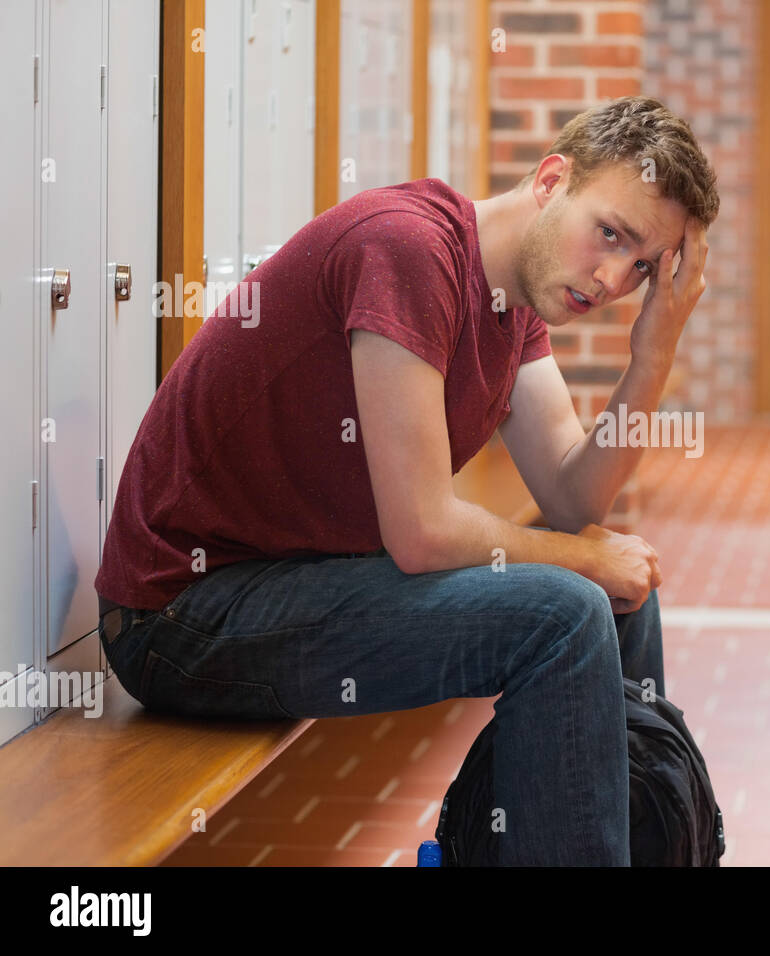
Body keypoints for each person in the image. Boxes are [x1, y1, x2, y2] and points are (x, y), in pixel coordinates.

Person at [93, 94, 719, 866]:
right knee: (569, 608)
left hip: (297, 582)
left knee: (622, 595)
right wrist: (587, 559)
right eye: (612, 233)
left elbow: (571, 497)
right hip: (181, 615)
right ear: (553, 180)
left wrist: (653, 353)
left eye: (644, 267)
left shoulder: (514, 301)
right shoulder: (409, 250)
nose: (615, 277)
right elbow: (422, 533)